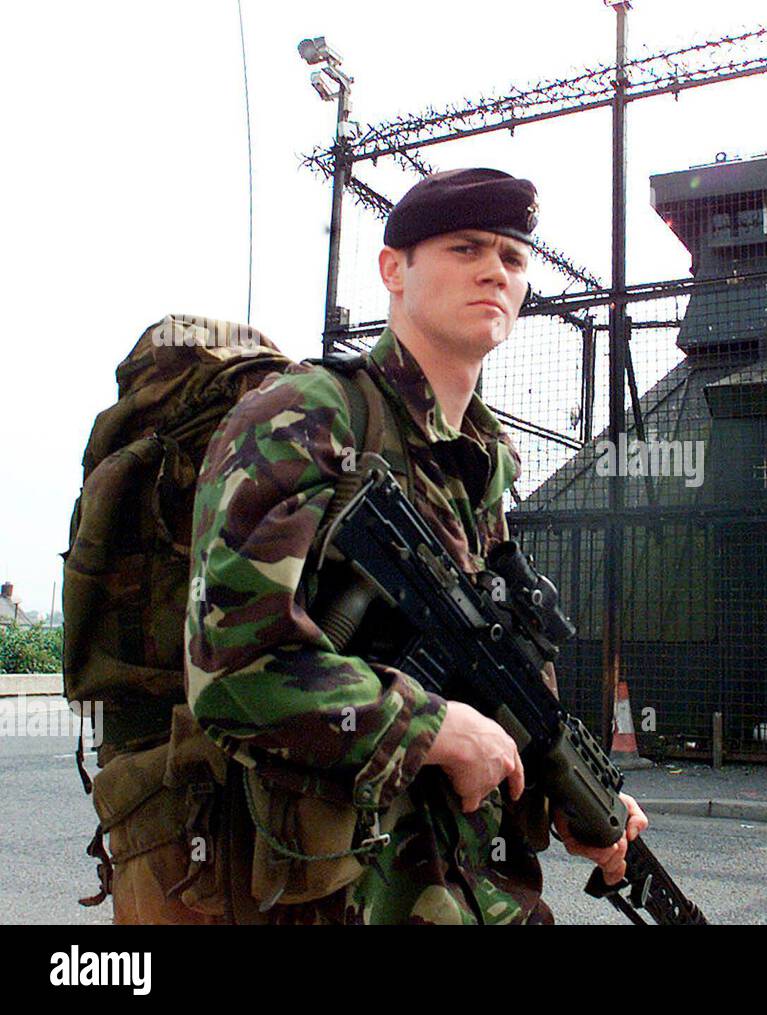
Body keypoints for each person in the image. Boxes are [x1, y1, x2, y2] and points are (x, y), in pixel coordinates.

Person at [185, 167, 647, 924]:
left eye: (513, 257)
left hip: (461, 890)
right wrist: (431, 726)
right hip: (333, 895)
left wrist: (570, 796)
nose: (495, 270)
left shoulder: (479, 469)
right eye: (466, 248)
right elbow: (235, 673)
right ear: (392, 269)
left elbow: (494, 698)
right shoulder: (305, 415)